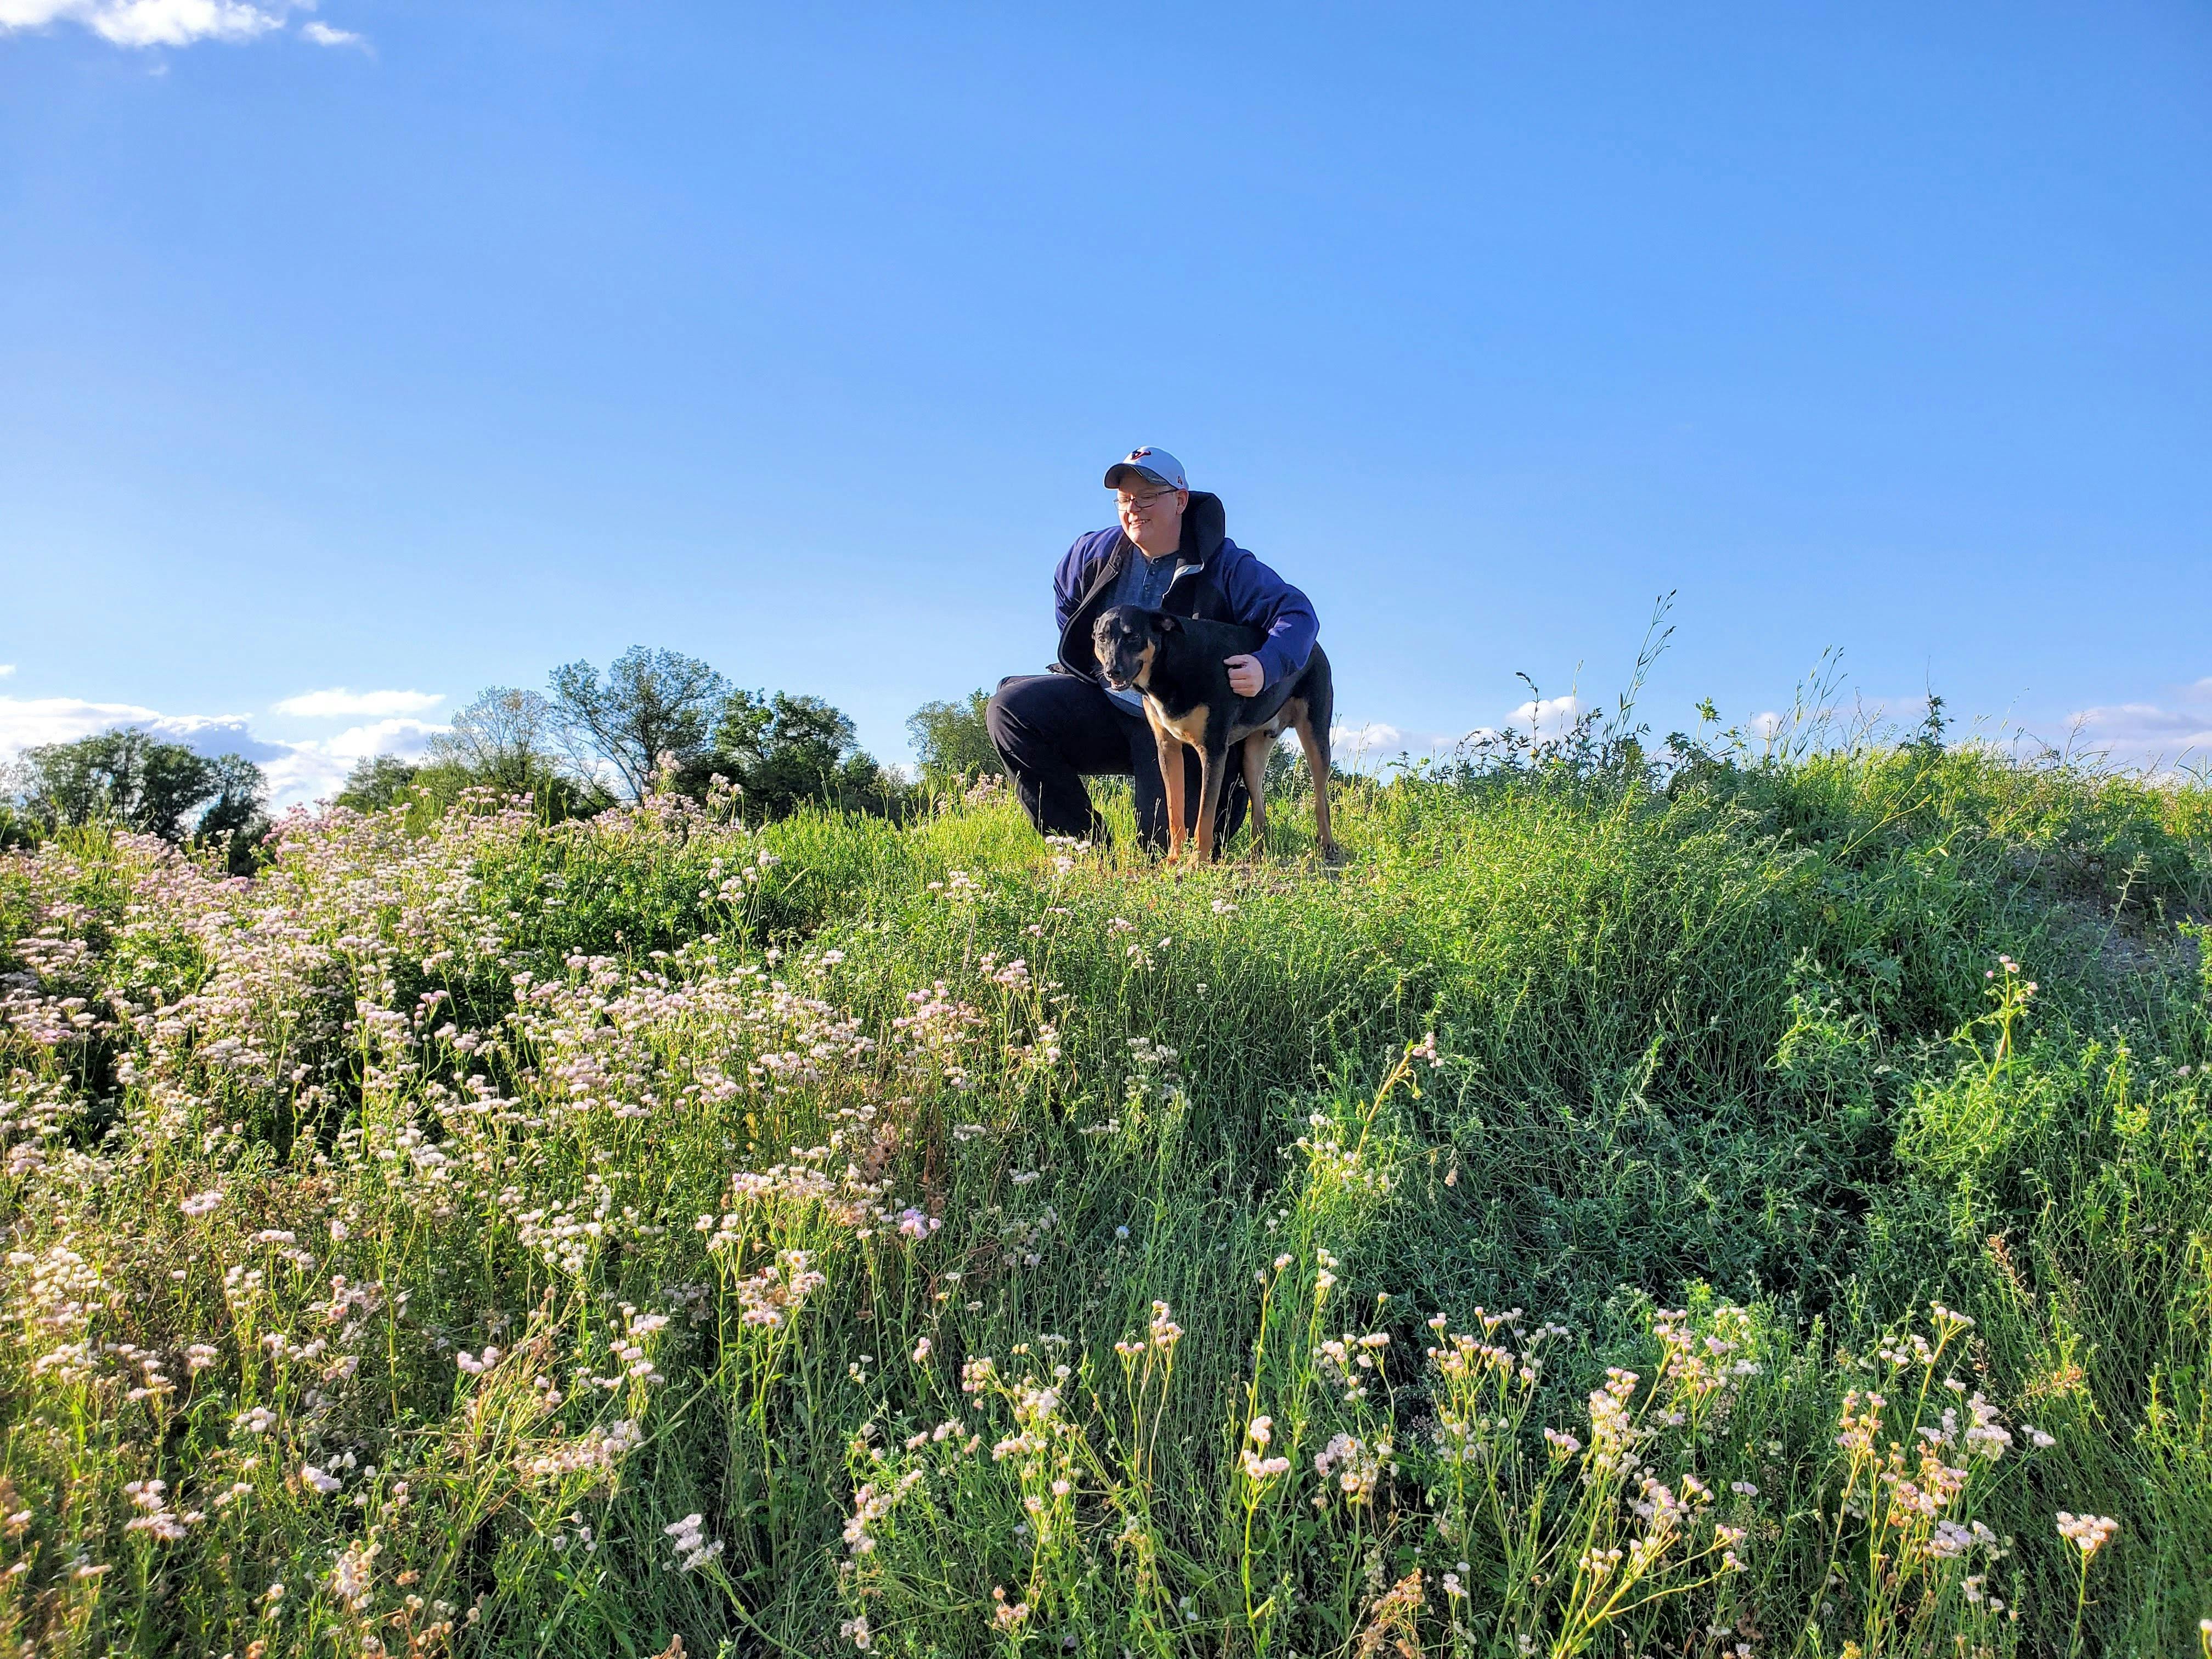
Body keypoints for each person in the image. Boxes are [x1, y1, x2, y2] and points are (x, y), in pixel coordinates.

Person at [987, 447, 1319, 851]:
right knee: (1011, 708)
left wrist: (1265, 666)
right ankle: (1083, 846)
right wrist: (1088, 661)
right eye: (1125, 500)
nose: (1134, 509)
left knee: (1164, 852)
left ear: (1180, 500)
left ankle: (1218, 797)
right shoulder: (1091, 553)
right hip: (1111, 706)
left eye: (1147, 497)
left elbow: (1298, 614)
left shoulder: (1225, 564)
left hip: (1189, 728)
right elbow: (1067, 602)